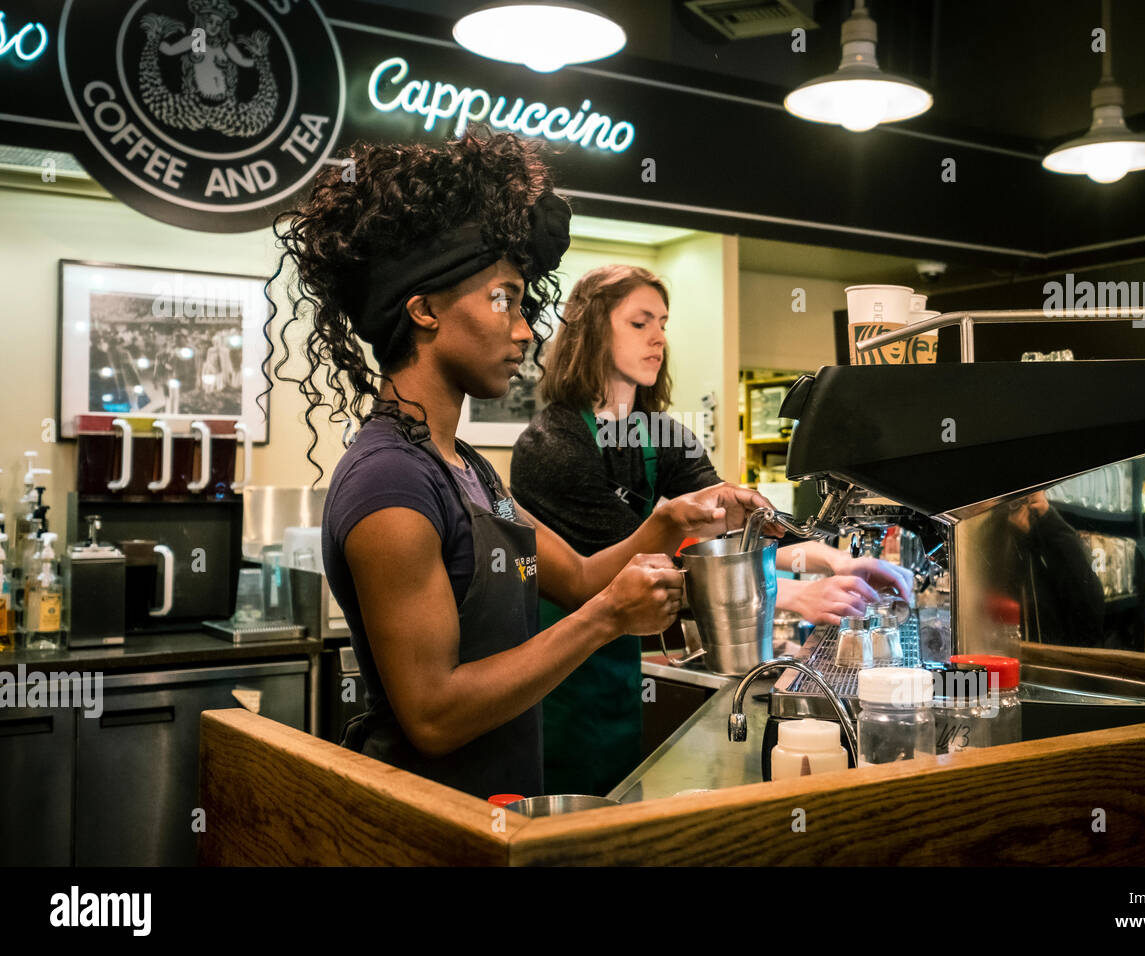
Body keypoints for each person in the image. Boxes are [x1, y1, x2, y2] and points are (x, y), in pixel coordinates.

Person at [263, 132, 776, 799]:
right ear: (423, 308)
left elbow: (585, 577)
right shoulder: (391, 482)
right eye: (503, 299)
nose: (526, 330)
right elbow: (435, 715)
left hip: (499, 816)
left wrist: (670, 521)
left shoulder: (464, 467)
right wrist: (605, 622)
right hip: (432, 826)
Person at [510, 264, 913, 795]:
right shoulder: (553, 446)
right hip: (557, 675)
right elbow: (628, 573)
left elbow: (731, 528)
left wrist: (830, 559)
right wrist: (790, 596)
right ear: (589, 331)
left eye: (663, 323)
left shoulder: (662, 435)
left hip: (619, 669)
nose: (658, 338)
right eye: (639, 323)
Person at [996, 490, 1105, 646]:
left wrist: (1048, 519)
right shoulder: (997, 539)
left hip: (1054, 658)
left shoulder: (1050, 536)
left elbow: (1091, 608)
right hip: (1008, 657)